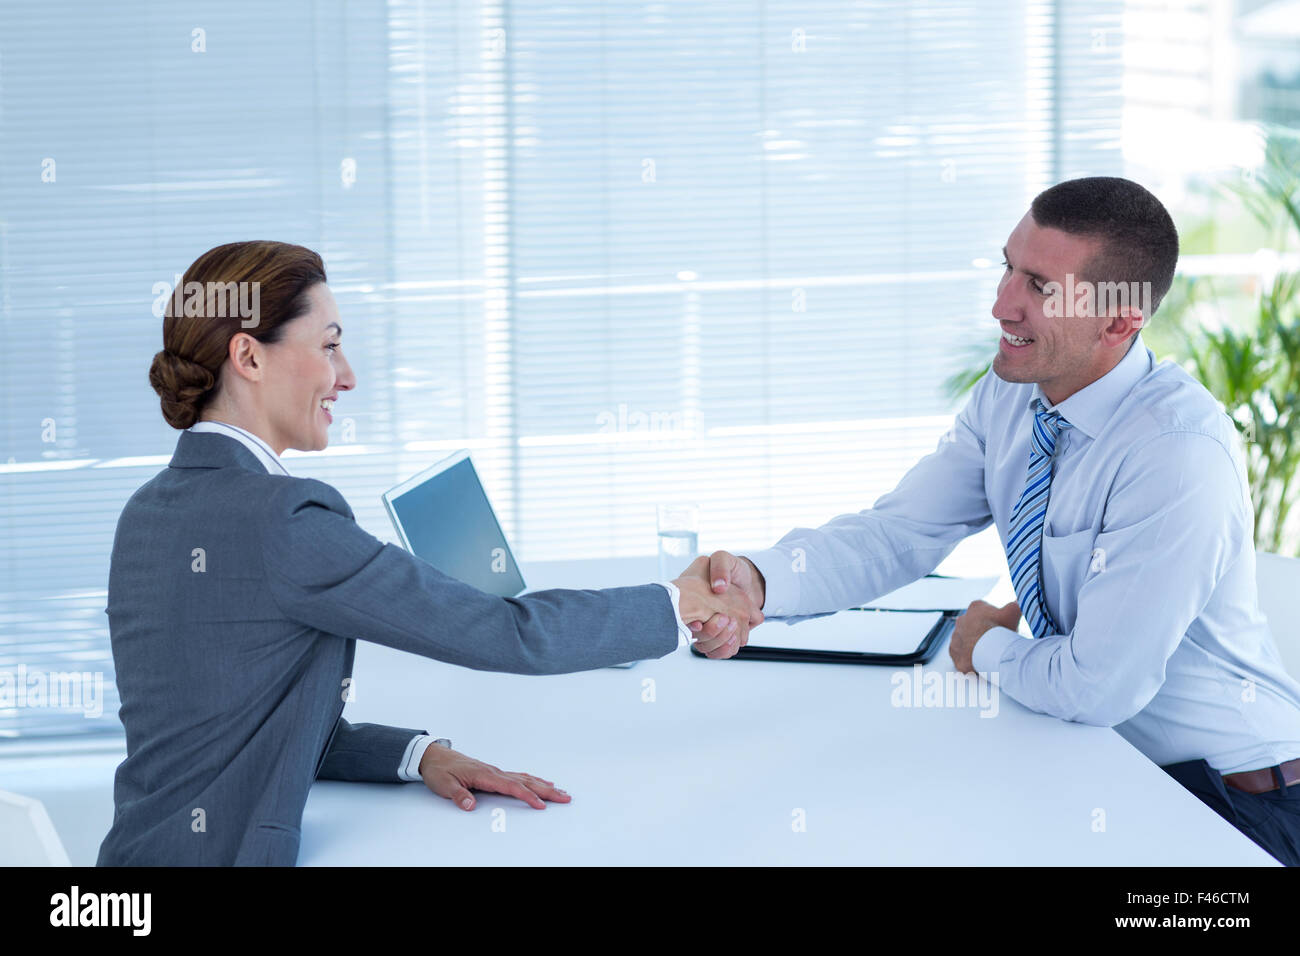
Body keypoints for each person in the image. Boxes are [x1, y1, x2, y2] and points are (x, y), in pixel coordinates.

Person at [689, 177, 1300, 866]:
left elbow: (1094, 687)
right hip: (1103, 764)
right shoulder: (1012, 399)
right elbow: (899, 532)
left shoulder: (1175, 453)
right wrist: (762, 582)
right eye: (1008, 266)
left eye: (1040, 286)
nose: (1001, 303)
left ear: (1119, 321)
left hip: (1234, 807)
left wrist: (981, 643)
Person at [97, 240, 758, 866]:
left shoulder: (147, 512)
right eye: (329, 347)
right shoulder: (283, 520)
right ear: (249, 357)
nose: (346, 377)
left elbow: (234, 726)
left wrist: (418, 755)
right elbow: (508, 633)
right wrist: (678, 604)